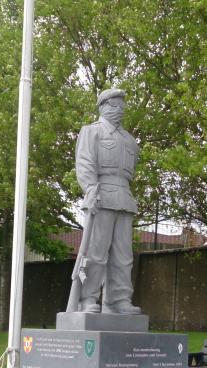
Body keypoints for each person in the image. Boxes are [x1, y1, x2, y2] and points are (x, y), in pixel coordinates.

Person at [73, 88, 141, 315]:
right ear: (103, 107)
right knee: (95, 254)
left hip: (124, 198)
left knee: (123, 256)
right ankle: (87, 298)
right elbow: (85, 162)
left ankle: (118, 300)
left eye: (121, 106)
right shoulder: (91, 132)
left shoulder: (130, 141)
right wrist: (91, 190)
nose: (119, 110)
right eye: (114, 106)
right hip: (100, 197)